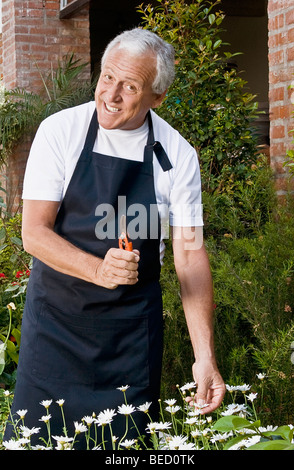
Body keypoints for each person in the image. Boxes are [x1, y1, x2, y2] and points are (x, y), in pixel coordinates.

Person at [5, 28, 225, 448]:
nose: (111, 94)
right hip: (55, 328)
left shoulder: (176, 156)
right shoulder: (61, 131)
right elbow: (33, 233)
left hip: (129, 339)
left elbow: (190, 256)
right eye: (107, 77)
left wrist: (205, 357)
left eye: (130, 86)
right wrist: (97, 268)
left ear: (156, 98)